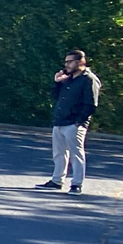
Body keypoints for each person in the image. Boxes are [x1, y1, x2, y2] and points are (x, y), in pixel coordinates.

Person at [36, 49, 101, 194]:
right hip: (60, 121)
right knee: (59, 153)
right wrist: (58, 83)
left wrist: (80, 121)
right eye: (66, 62)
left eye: (69, 62)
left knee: (76, 154)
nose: (66, 65)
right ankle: (56, 180)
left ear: (80, 62)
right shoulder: (68, 79)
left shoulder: (88, 79)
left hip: (74, 123)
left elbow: (91, 104)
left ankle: (76, 184)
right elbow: (56, 97)